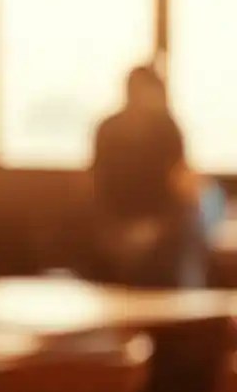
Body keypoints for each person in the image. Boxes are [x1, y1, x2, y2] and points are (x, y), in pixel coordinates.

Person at [88, 66, 207, 287]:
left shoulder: (168, 130)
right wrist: (120, 234)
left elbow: (182, 189)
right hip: (116, 231)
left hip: (161, 230)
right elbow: (99, 191)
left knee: (191, 223)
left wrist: (153, 231)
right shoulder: (108, 130)